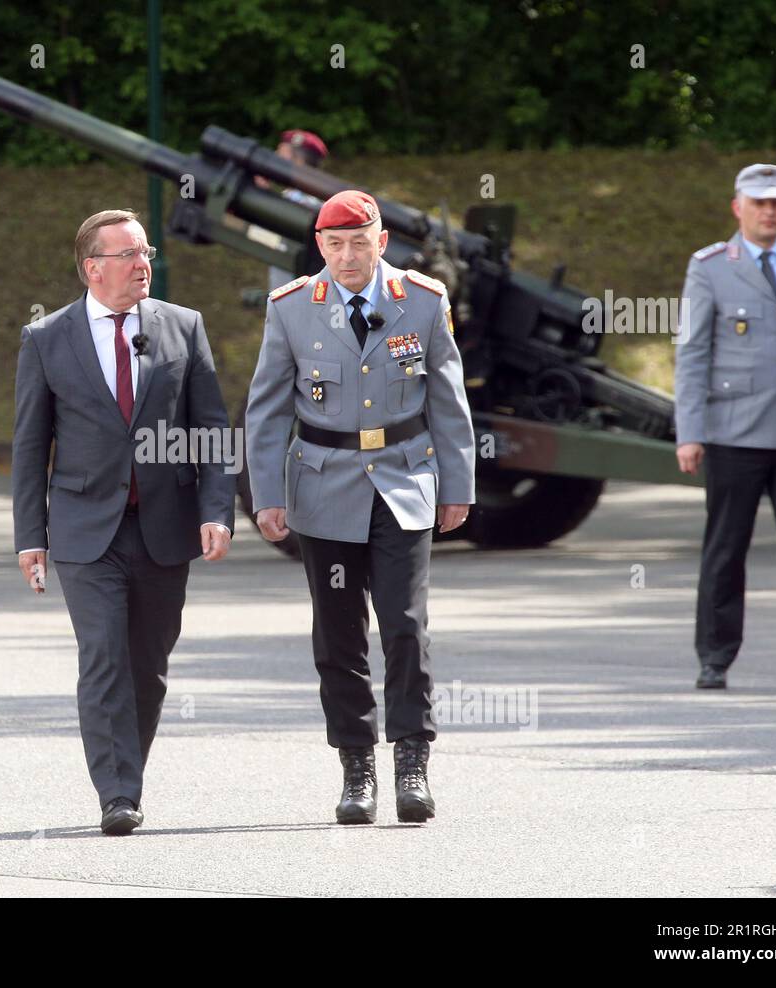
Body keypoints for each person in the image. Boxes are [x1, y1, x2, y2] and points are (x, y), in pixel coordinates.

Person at [245, 189, 475, 825]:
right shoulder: (292, 308)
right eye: (335, 244)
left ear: (382, 242)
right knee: (338, 632)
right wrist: (267, 495)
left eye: (359, 243)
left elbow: (448, 400)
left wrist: (458, 485)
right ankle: (356, 769)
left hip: (404, 480)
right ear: (320, 245)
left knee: (404, 623)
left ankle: (412, 763)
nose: (347, 256)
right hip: (324, 487)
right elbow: (267, 410)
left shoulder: (422, 301)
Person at [13, 209, 235, 835]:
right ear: (93, 268)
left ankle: (126, 772)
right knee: (104, 655)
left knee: (148, 664)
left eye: (146, 253)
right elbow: (30, 446)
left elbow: (211, 428)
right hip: (85, 528)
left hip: (165, 524)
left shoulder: (183, 326)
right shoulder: (47, 338)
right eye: (129, 254)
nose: (144, 264)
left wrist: (217, 510)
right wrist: (31, 537)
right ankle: (117, 792)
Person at [674, 163, 776, 691]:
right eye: (760, 202)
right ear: (737, 207)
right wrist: (689, 432)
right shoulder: (709, 267)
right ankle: (715, 657)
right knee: (726, 548)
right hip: (734, 433)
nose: (770, 211)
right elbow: (692, 354)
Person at [260, 129, 329, 292]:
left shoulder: (306, 205)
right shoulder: (293, 199)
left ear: (297, 161)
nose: (275, 157)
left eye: (281, 153)